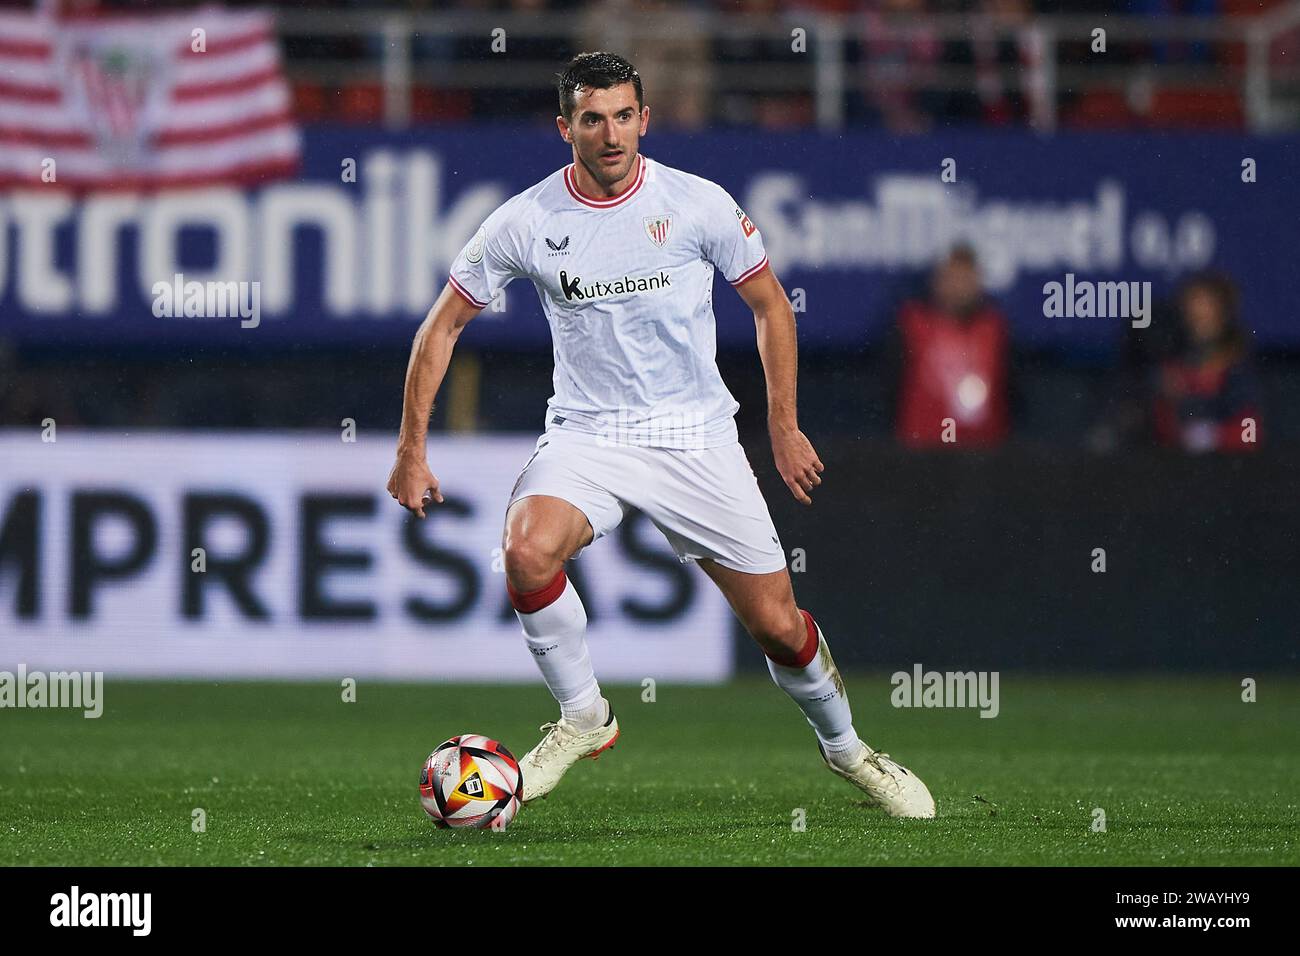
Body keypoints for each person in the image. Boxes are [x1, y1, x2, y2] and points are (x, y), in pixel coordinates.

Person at [386, 52, 935, 818]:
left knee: (778, 626)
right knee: (524, 548)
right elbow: (440, 327)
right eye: (591, 118)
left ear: (644, 118)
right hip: (589, 433)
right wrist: (411, 450)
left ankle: (849, 751)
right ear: (564, 128)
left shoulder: (697, 203)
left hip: (694, 436)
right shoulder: (527, 220)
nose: (609, 134)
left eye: (622, 116)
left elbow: (772, 307)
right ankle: (583, 716)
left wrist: (782, 427)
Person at [892, 244, 1012, 448]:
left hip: (984, 450)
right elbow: (892, 383)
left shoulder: (995, 328)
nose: (958, 288)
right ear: (936, 282)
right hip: (922, 446)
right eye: (951, 278)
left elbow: (1010, 388)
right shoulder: (912, 324)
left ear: (978, 282)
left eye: (965, 279)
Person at [1153, 271, 1261, 453]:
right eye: (1192, 308)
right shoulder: (1173, 367)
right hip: (1178, 469)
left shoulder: (1239, 367)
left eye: (1207, 307)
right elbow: (1159, 436)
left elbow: (1250, 434)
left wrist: (1215, 436)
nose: (1199, 315)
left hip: (1234, 468)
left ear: (1223, 312)